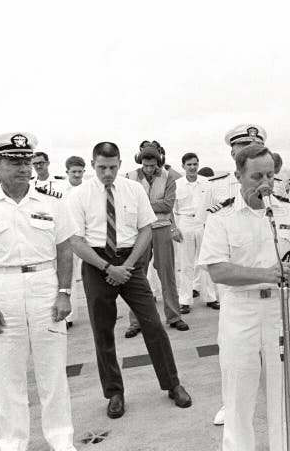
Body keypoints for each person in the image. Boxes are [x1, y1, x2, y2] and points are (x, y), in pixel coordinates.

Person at [199, 145, 290, 451]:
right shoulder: (222, 216)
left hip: (281, 308)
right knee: (239, 391)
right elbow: (217, 270)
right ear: (238, 176)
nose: (265, 182)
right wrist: (266, 274)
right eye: (257, 176)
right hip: (241, 311)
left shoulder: (288, 210)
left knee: (283, 390)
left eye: (270, 175)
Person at [0, 132, 78, 451]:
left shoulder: (53, 202)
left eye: (26, 161)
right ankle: (13, 443)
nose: (24, 168)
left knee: (53, 371)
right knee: (6, 376)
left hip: (45, 286)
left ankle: (61, 438)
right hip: (1, 289)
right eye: (14, 162)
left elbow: (65, 249)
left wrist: (64, 292)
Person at [66, 142, 192, 420]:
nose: (107, 173)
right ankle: (114, 392)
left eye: (112, 167)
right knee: (103, 331)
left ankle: (172, 384)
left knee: (153, 325)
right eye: (101, 167)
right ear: (92, 164)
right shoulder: (78, 195)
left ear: (120, 164)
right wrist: (107, 267)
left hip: (130, 262)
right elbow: (76, 240)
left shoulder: (133, 190)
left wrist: (127, 265)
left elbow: (146, 229)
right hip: (96, 263)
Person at [198, 123, 268, 426]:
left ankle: (284, 394)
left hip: (270, 272)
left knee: (275, 344)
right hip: (233, 276)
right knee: (233, 348)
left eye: (254, 146)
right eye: (242, 147)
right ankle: (231, 403)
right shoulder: (216, 186)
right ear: (232, 152)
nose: (248, 151)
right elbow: (207, 226)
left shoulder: (273, 182)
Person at [123, 145, 187, 336]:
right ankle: (136, 322)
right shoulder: (129, 177)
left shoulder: (169, 176)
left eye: (152, 165)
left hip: (162, 228)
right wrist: (153, 205)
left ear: (158, 162)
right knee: (136, 276)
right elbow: (127, 205)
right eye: (145, 165)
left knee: (167, 274)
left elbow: (168, 205)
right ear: (140, 162)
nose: (149, 169)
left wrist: (142, 204)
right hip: (139, 231)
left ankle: (174, 317)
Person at [174, 152, 218, 314]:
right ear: (183, 166)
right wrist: (173, 228)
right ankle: (184, 300)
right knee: (185, 264)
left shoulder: (207, 183)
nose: (192, 167)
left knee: (206, 261)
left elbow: (215, 205)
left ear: (198, 165)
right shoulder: (177, 184)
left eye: (195, 164)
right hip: (184, 223)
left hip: (203, 223)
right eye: (189, 165)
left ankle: (210, 297)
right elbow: (171, 209)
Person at [61, 156, 87, 327]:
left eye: (80, 171)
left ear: (84, 171)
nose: (77, 175)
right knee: (68, 275)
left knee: (93, 275)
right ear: (67, 172)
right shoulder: (61, 191)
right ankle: (68, 317)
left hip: (88, 237)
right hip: (69, 236)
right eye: (73, 172)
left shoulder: (90, 189)